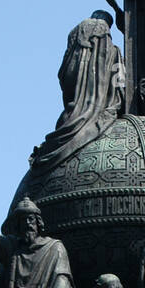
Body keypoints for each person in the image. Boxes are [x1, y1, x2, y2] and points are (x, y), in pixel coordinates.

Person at [31, 10, 124, 173]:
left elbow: (65, 69)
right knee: (85, 108)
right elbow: (115, 76)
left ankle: (77, 116)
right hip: (94, 91)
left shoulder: (76, 31)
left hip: (73, 75)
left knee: (74, 109)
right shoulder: (104, 35)